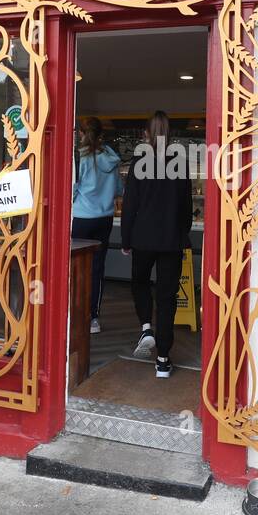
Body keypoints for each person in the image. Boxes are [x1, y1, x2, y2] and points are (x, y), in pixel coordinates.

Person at [121, 111, 192, 378]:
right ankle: (163, 359)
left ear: (147, 134)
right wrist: (181, 232)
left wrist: (126, 239)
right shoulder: (181, 161)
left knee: (139, 283)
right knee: (167, 297)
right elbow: (186, 207)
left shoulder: (140, 160)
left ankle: (146, 328)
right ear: (170, 134)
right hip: (171, 239)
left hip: (143, 237)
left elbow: (130, 205)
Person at [71, 117, 122, 333]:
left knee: (74, 266)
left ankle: (73, 312)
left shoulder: (79, 158)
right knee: (97, 267)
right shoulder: (111, 158)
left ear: (82, 134)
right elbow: (119, 190)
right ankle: (93, 318)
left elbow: (72, 189)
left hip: (81, 217)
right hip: (105, 218)